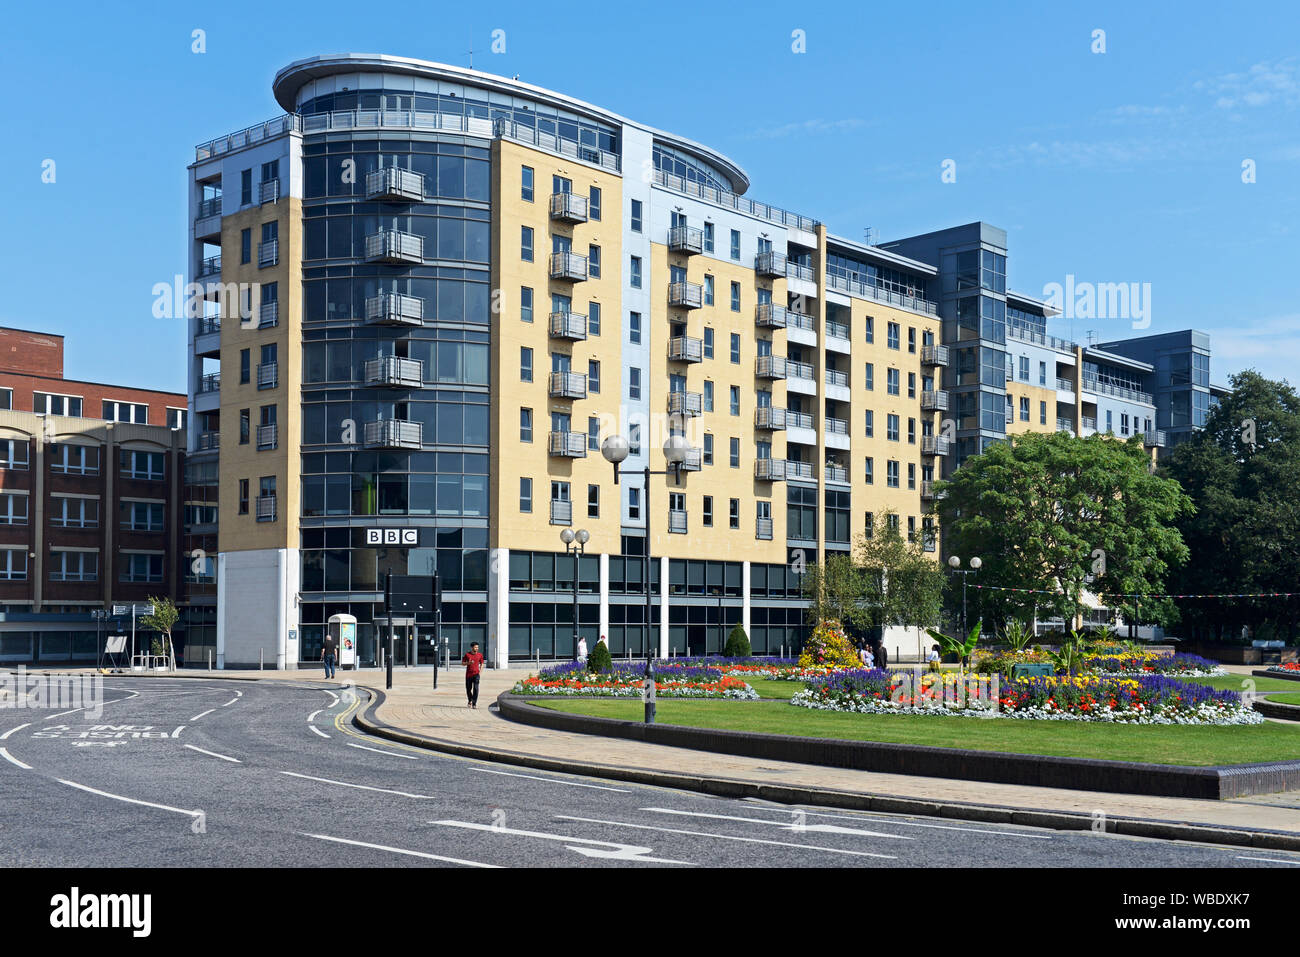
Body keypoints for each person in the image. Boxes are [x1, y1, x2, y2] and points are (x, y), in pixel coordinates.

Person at [462, 641, 485, 709]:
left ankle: (474, 703)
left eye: (477, 647)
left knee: (476, 689)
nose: (477, 648)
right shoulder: (467, 655)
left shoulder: (480, 655)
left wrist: (480, 672)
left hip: (476, 674)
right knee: (468, 689)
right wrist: (468, 663)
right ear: (472, 647)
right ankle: (470, 700)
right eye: (475, 647)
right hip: (468, 675)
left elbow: (482, 663)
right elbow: (463, 663)